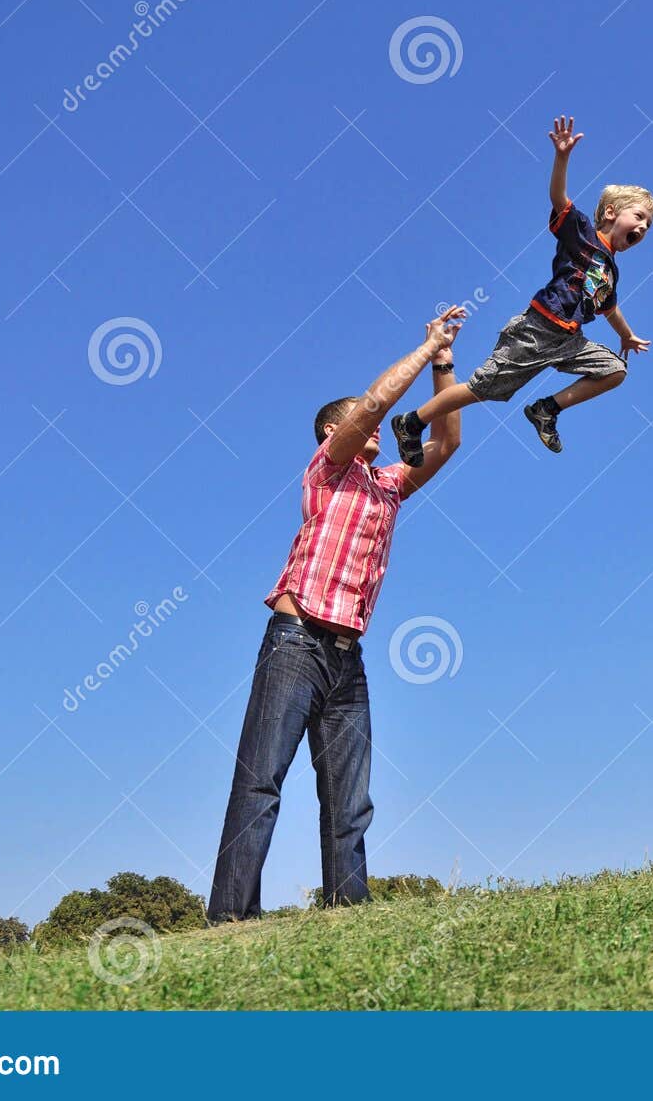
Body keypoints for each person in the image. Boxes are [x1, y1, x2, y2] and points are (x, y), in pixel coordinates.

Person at [208, 305, 468, 920]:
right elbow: (376, 404)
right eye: (355, 421)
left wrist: (445, 362)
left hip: (346, 657)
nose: (370, 426)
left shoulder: (388, 486)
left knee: (350, 800)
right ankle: (229, 919)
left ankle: (347, 914)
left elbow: (448, 440)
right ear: (332, 432)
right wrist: (423, 341)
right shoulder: (327, 471)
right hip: (295, 642)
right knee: (261, 781)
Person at [390, 115, 653, 458]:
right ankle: (412, 422)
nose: (643, 226)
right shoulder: (582, 232)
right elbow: (559, 199)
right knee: (480, 389)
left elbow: (609, 307)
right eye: (638, 216)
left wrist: (626, 335)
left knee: (614, 370)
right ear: (609, 213)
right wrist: (562, 158)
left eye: (648, 225)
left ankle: (546, 409)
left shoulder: (610, 272)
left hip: (569, 339)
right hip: (536, 330)